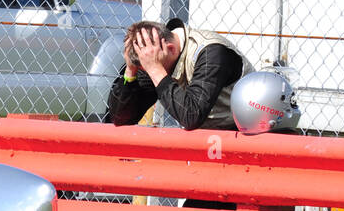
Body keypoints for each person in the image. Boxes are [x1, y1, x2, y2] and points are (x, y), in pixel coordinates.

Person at [106, 17, 253, 131]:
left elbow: (191, 116)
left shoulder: (211, 53)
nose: (150, 71)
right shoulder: (156, 57)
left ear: (170, 49)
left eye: (151, 66)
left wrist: (156, 69)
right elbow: (120, 119)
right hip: (208, 138)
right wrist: (130, 72)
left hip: (243, 132)